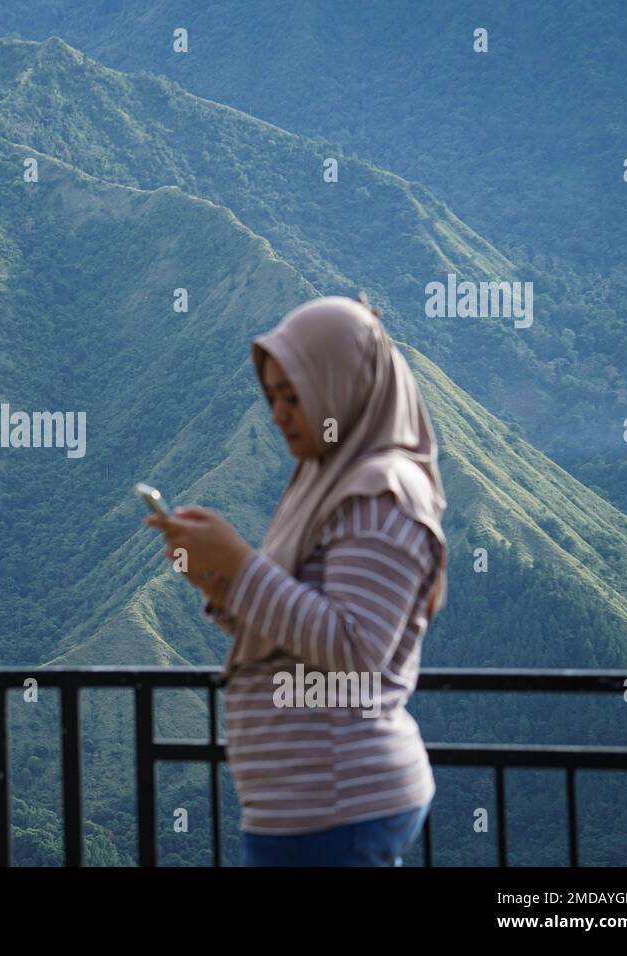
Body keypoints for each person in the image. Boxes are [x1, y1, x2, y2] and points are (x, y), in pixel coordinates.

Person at [143, 294, 448, 866]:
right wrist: (215, 578)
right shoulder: (325, 481)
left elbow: (356, 649)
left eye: (295, 397)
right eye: (273, 397)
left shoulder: (381, 495)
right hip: (306, 810)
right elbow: (294, 625)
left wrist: (239, 565)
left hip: (339, 803)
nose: (279, 413)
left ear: (342, 389)